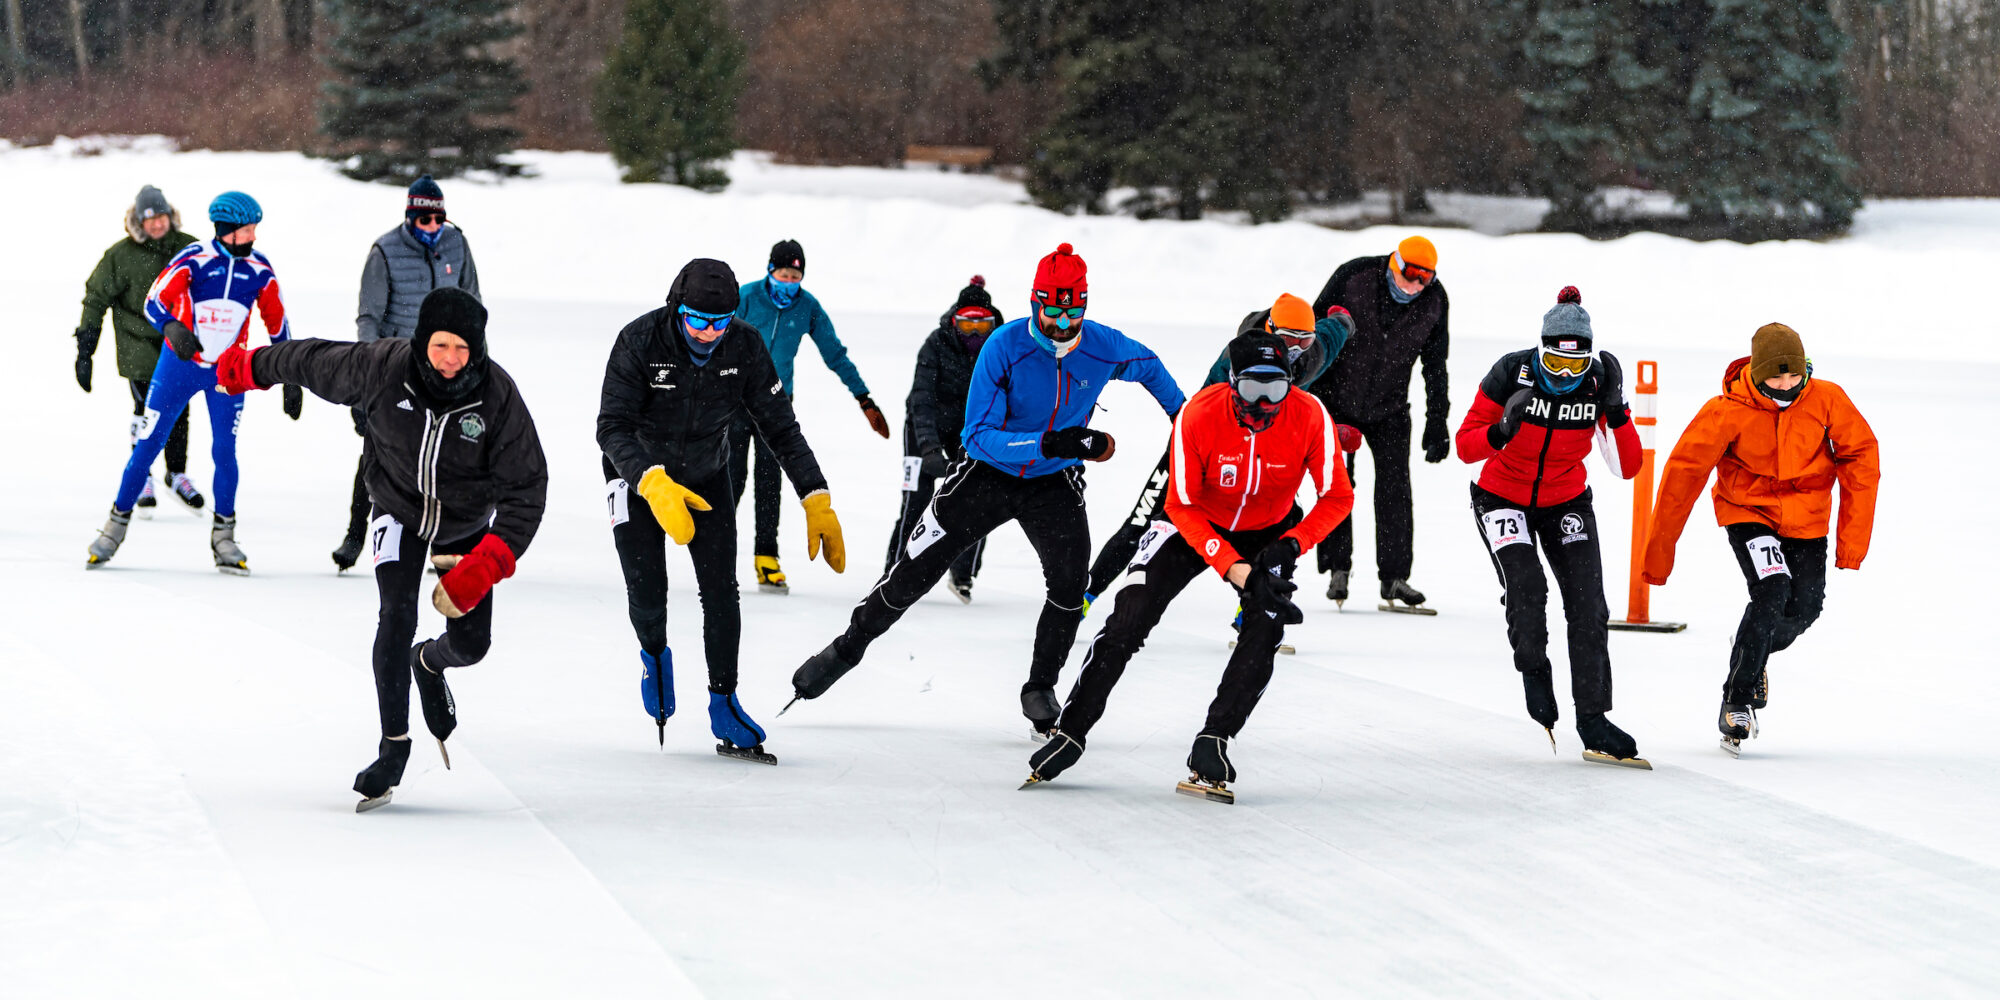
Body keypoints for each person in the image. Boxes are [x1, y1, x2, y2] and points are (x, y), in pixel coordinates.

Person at [788, 243, 1186, 736]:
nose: (1062, 322)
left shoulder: (1102, 344)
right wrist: (1050, 441)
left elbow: (1148, 365)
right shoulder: (1005, 344)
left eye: (1073, 310)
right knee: (914, 573)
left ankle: (1040, 687)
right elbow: (977, 435)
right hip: (986, 475)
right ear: (1034, 302)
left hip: (1053, 483)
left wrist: (1184, 422)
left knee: (1069, 586)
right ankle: (847, 648)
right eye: (1051, 310)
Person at [215, 287, 546, 810]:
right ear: (422, 342)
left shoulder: (497, 397)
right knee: (395, 616)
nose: (451, 360)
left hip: (463, 527)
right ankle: (393, 747)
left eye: (462, 349)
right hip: (397, 508)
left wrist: (488, 561)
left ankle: (430, 663)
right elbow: (310, 359)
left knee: (472, 646)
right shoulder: (383, 367)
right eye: (441, 346)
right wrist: (253, 366)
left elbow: (526, 489)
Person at [1025, 333, 1355, 798]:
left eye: (1276, 390)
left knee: (1265, 626)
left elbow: (1338, 495)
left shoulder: (1309, 415)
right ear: (1232, 381)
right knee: (1129, 617)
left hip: (1269, 529)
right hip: (1191, 521)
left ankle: (1215, 739)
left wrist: (1291, 546)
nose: (1264, 404)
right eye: (1252, 390)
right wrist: (1236, 569)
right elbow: (1180, 504)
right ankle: (1071, 730)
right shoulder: (1198, 414)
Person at [598, 258, 848, 761]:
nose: (709, 333)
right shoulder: (639, 341)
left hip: (708, 473)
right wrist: (650, 480)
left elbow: (781, 427)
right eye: (697, 321)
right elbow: (611, 427)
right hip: (637, 476)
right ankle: (654, 656)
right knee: (648, 588)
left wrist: (815, 495)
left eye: (720, 322)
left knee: (721, 591)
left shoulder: (746, 346)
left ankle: (723, 699)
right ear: (677, 309)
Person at [1641, 323, 1879, 755]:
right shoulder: (1726, 410)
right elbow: (1683, 475)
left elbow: (1861, 457)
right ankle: (1736, 700)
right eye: (1775, 377)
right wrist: (1658, 556)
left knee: (1805, 608)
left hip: (1806, 518)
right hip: (1748, 510)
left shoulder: (1827, 399)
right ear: (1755, 372)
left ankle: (1753, 644)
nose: (1786, 386)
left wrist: (1852, 543)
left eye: (1794, 376)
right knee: (1772, 591)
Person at [1454, 287, 1646, 765]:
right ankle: (1533, 668)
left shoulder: (1598, 384)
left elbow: (1626, 468)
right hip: (1501, 496)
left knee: (1588, 606)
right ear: (1540, 352)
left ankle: (1594, 718)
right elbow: (1464, 446)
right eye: (1554, 365)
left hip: (1566, 501)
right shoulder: (1510, 372)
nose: (1564, 376)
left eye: (1574, 367)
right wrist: (1499, 431)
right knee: (1527, 588)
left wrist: (1618, 412)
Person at [1082, 292, 1353, 607]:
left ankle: (1253, 608)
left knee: (1275, 522)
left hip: (1267, 450)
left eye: (1302, 342)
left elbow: (1336, 330)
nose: (1293, 351)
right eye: (1285, 339)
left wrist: (1343, 318)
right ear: (1269, 329)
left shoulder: (1316, 353)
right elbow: (1208, 415)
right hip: (1203, 443)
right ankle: (1084, 596)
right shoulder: (1237, 360)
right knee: (1143, 518)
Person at [85, 191, 300, 574]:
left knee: (224, 451)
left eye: (254, 229)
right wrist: (172, 328)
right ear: (225, 229)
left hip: (228, 372)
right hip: (179, 365)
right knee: (148, 445)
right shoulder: (195, 258)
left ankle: (224, 537)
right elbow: (155, 301)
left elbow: (277, 323)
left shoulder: (260, 269)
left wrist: (291, 378)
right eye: (246, 229)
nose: (252, 236)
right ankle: (114, 526)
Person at [332, 175, 483, 572]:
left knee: (445, 457)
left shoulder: (457, 244)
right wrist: (366, 381)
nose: (432, 228)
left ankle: (444, 543)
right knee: (379, 453)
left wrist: (476, 362)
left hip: (448, 368)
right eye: (424, 221)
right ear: (410, 218)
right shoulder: (385, 251)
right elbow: (369, 318)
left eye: (438, 221)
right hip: (397, 368)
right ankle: (355, 535)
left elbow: (473, 307)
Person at [729, 239, 887, 594]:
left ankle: (766, 558)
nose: (788, 281)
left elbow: (835, 354)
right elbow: (714, 338)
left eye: (795, 275)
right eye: (783, 273)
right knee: (731, 479)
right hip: (736, 403)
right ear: (771, 271)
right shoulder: (746, 297)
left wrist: (864, 398)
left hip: (775, 403)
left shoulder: (808, 307)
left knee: (770, 483)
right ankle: (717, 554)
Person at [1310, 235, 1450, 609]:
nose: (1416, 285)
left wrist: (1437, 421)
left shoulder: (1435, 302)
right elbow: (1312, 336)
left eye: (1426, 279)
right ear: (1394, 263)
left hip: (1389, 408)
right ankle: (1337, 567)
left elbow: (1435, 366)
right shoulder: (1354, 276)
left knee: (1395, 488)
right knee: (1338, 484)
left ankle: (1394, 578)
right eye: (1410, 274)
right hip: (1335, 400)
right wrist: (1308, 400)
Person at [75, 185, 204, 517]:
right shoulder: (121, 255)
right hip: (138, 345)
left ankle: (176, 473)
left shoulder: (187, 246)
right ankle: (142, 475)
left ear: (169, 216)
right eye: (150, 220)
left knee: (179, 410)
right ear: (138, 221)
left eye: (161, 217)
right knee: (146, 409)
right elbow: (95, 297)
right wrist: (86, 350)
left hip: (179, 343)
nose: (157, 225)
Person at [881, 275, 1002, 602]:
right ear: (955, 321)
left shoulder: (1000, 348)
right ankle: (894, 570)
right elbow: (920, 399)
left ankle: (963, 574)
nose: (975, 333)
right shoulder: (935, 344)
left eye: (982, 325)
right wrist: (930, 449)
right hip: (923, 428)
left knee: (978, 502)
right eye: (967, 325)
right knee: (916, 501)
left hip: (970, 433)